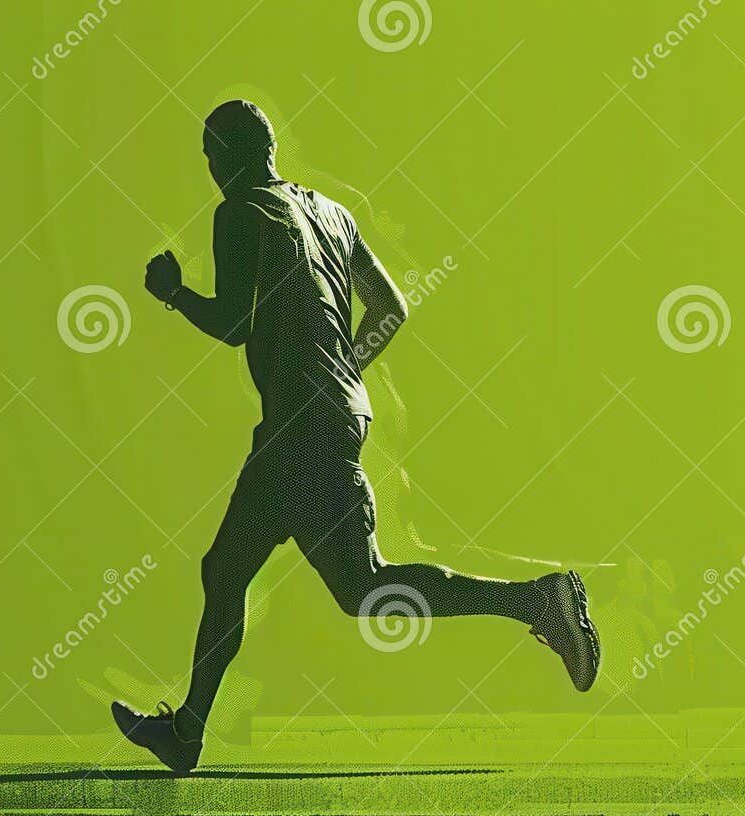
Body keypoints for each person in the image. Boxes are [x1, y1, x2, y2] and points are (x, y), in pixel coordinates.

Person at [112, 100, 599, 774]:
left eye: (210, 158)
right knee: (341, 586)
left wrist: (173, 292)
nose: (211, 173)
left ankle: (186, 735)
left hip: (299, 426)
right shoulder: (332, 215)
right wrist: (341, 369)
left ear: (228, 155)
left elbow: (232, 324)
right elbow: (390, 306)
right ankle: (530, 599)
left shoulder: (240, 212)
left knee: (257, 576)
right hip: (333, 413)